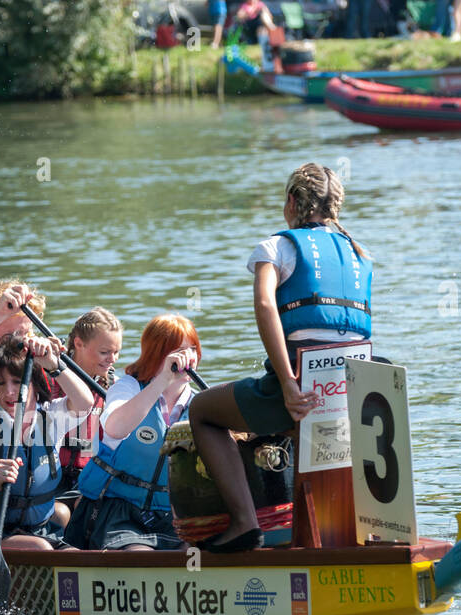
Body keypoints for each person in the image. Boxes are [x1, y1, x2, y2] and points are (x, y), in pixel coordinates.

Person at [187, 162, 372, 553]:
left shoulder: (278, 245)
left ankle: (244, 524)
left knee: (202, 410)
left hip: (304, 387)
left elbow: (264, 304)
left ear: (291, 201)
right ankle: (353, 523)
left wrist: (288, 383)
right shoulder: (359, 254)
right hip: (353, 390)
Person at [0, 334, 94, 551]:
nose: (8, 392)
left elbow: (85, 403)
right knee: (40, 549)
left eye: (17, 381)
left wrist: (53, 365)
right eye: (0, 383)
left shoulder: (50, 417)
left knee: (74, 556)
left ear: (35, 384)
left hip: (36, 529)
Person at [65, 314, 200, 552]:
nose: (188, 357)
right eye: (179, 351)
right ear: (158, 354)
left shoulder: (200, 404)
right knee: (141, 556)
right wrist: (163, 379)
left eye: (193, 349)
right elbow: (116, 428)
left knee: (198, 551)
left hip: (173, 516)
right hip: (121, 513)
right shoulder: (127, 387)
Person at [55, 307, 123, 495]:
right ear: (79, 343)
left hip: (90, 479)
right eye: (105, 352)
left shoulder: (113, 387)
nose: (112, 359)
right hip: (50, 477)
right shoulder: (51, 377)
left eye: (116, 352)